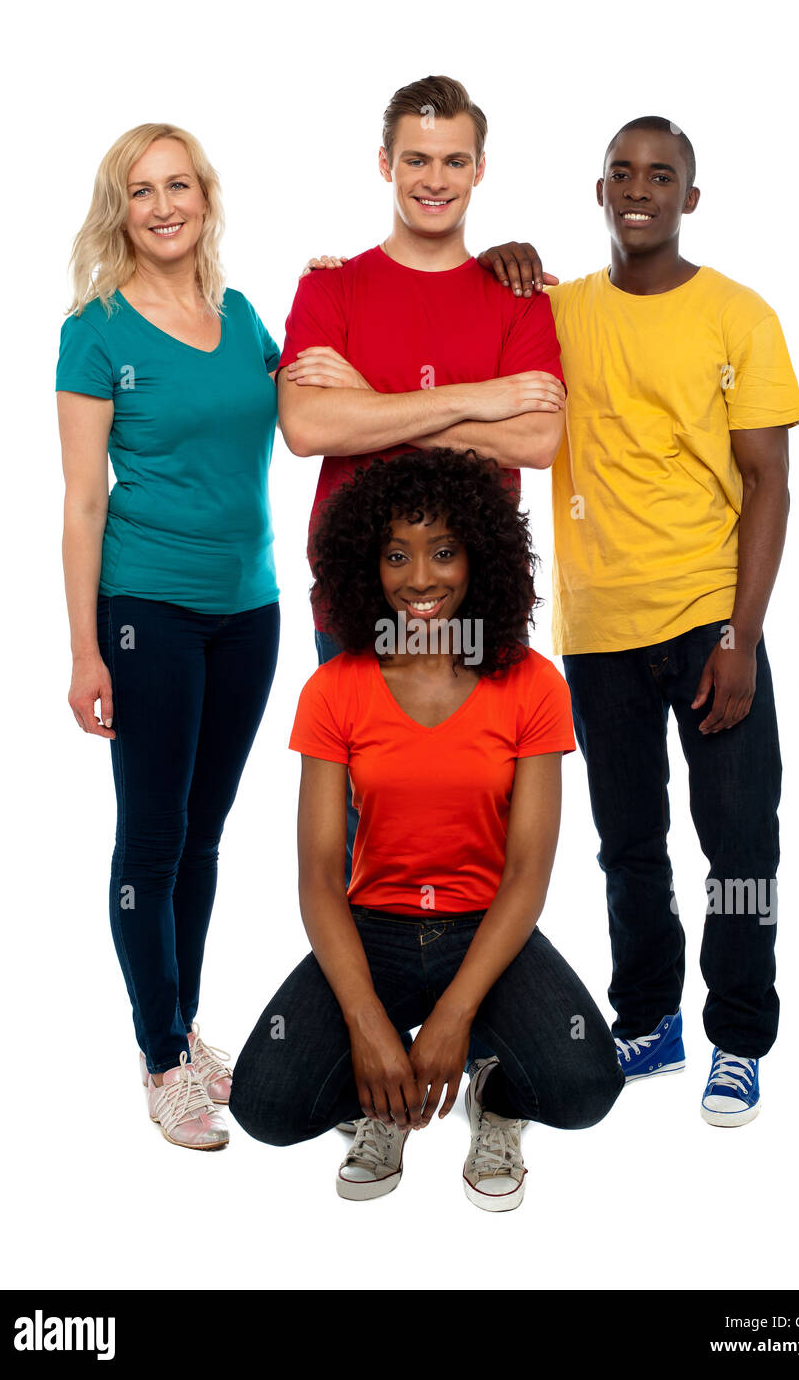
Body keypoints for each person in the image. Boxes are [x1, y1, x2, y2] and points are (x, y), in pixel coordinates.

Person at [478, 116, 799, 1127]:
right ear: (599, 191)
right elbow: (478, 315)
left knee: (740, 846)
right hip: (598, 628)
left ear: (689, 198)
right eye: (621, 171)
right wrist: (496, 265)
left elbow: (769, 483)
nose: (639, 188)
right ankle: (650, 1018)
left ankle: (739, 1038)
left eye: (661, 175)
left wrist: (740, 637)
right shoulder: (562, 311)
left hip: (707, 617)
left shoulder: (737, 316)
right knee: (630, 845)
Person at [229, 450, 623, 1210]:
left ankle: (496, 1097)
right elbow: (317, 873)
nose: (420, 578)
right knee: (265, 1107)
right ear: (366, 566)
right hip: (373, 927)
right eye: (396, 555)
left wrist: (451, 1018)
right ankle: (381, 1100)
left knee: (583, 1088)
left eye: (443, 551)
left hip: (485, 927)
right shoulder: (336, 687)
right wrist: (369, 1025)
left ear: (478, 556)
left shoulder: (531, 683)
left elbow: (527, 874)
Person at [275, 74, 567, 884]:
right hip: (357, 599)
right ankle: (361, 1007)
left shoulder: (519, 300)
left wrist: (372, 401)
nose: (432, 179)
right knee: (354, 840)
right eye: (415, 159)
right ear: (383, 163)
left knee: (476, 833)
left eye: (451, 160)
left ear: (479, 170)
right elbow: (306, 427)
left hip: (480, 599)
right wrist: (480, 401)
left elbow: (538, 439)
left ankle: (463, 1007)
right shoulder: (327, 287)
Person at [56, 123, 282, 1149]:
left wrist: (335, 286)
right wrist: (84, 648)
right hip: (146, 606)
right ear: (121, 209)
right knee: (150, 835)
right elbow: (82, 501)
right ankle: (160, 1058)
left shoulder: (240, 317)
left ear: (205, 196)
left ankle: (184, 1028)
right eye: (140, 191)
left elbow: (309, 402)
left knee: (204, 831)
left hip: (251, 606)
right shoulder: (96, 331)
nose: (161, 206)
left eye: (177, 185)